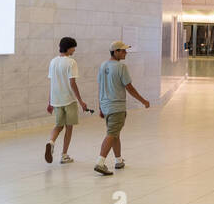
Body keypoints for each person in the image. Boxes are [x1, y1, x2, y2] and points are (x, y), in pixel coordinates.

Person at [94, 41, 150, 176]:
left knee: (115, 134)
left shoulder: (103, 66)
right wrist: (143, 101)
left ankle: (119, 160)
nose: (126, 53)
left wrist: (101, 106)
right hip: (117, 106)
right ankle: (100, 163)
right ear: (116, 52)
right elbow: (129, 87)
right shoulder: (121, 67)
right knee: (112, 134)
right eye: (123, 51)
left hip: (106, 106)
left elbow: (100, 87)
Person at [45, 36, 91, 166]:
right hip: (69, 100)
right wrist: (81, 101)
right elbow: (72, 83)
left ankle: (51, 142)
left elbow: (52, 84)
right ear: (69, 48)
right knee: (69, 127)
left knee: (58, 125)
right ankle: (64, 155)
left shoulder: (53, 62)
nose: (74, 50)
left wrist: (49, 102)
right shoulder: (71, 62)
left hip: (56, 100)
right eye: (73, 47)